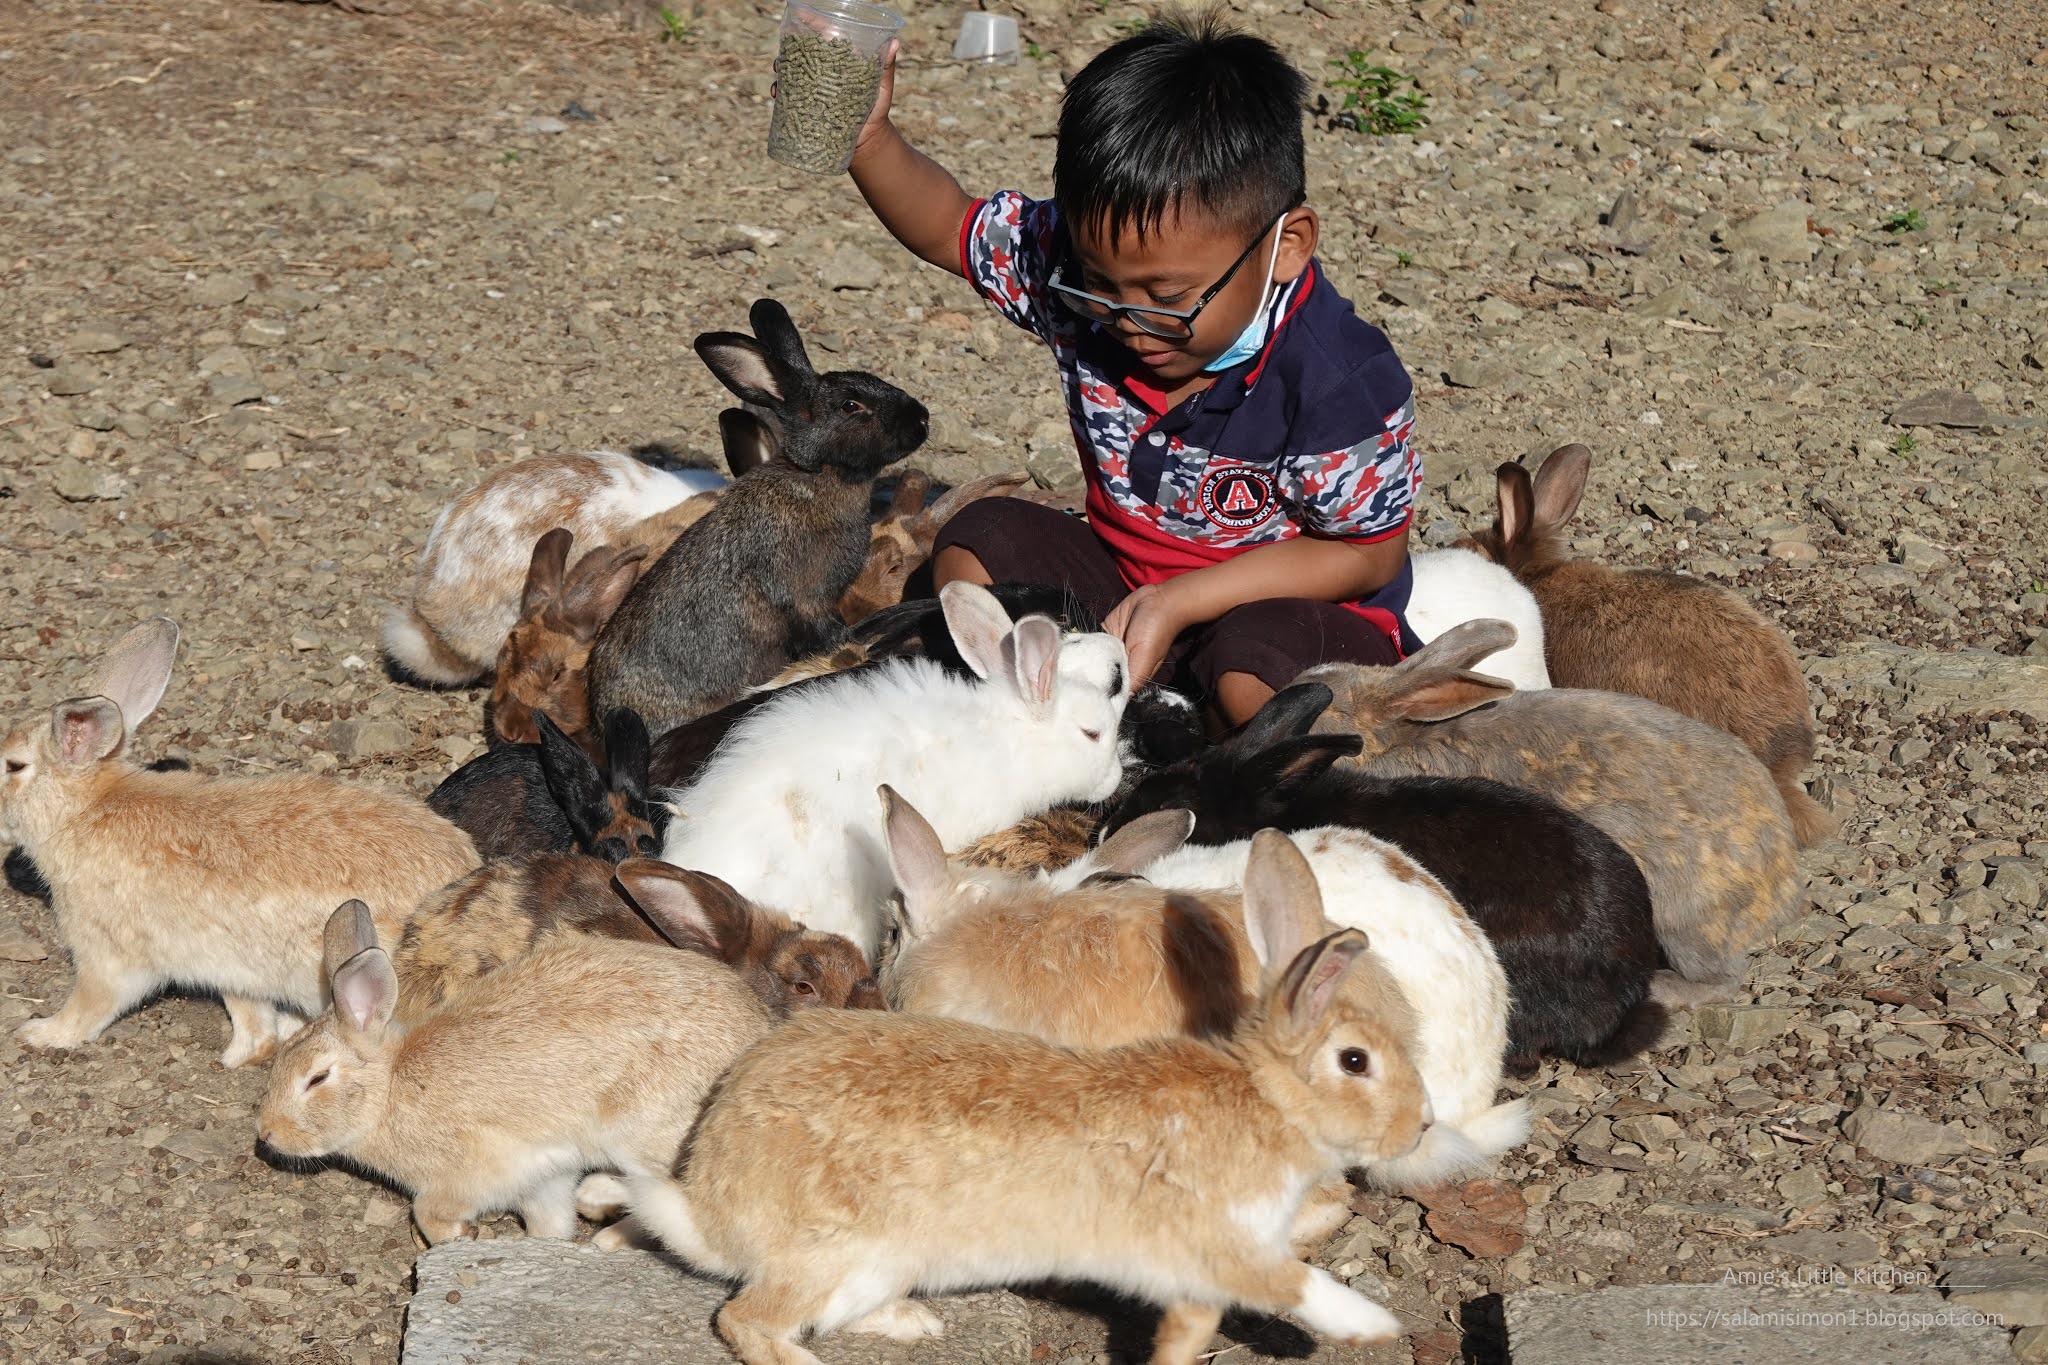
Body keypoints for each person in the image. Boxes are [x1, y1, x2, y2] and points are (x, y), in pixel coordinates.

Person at [847, 10, 1422, 726]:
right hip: (1121, 587)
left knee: (1251, 676)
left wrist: (1183, 600)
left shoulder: (1336, 381)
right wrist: (868, 140)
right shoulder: (1076, 282)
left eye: (1168, 298)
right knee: (976, 544)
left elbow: (1366, 554)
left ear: (1288, 245)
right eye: (1101, 282)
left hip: (1284, 615)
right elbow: (950, 226)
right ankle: (1023, 730)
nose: (1127, 320)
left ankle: (1251, 785)